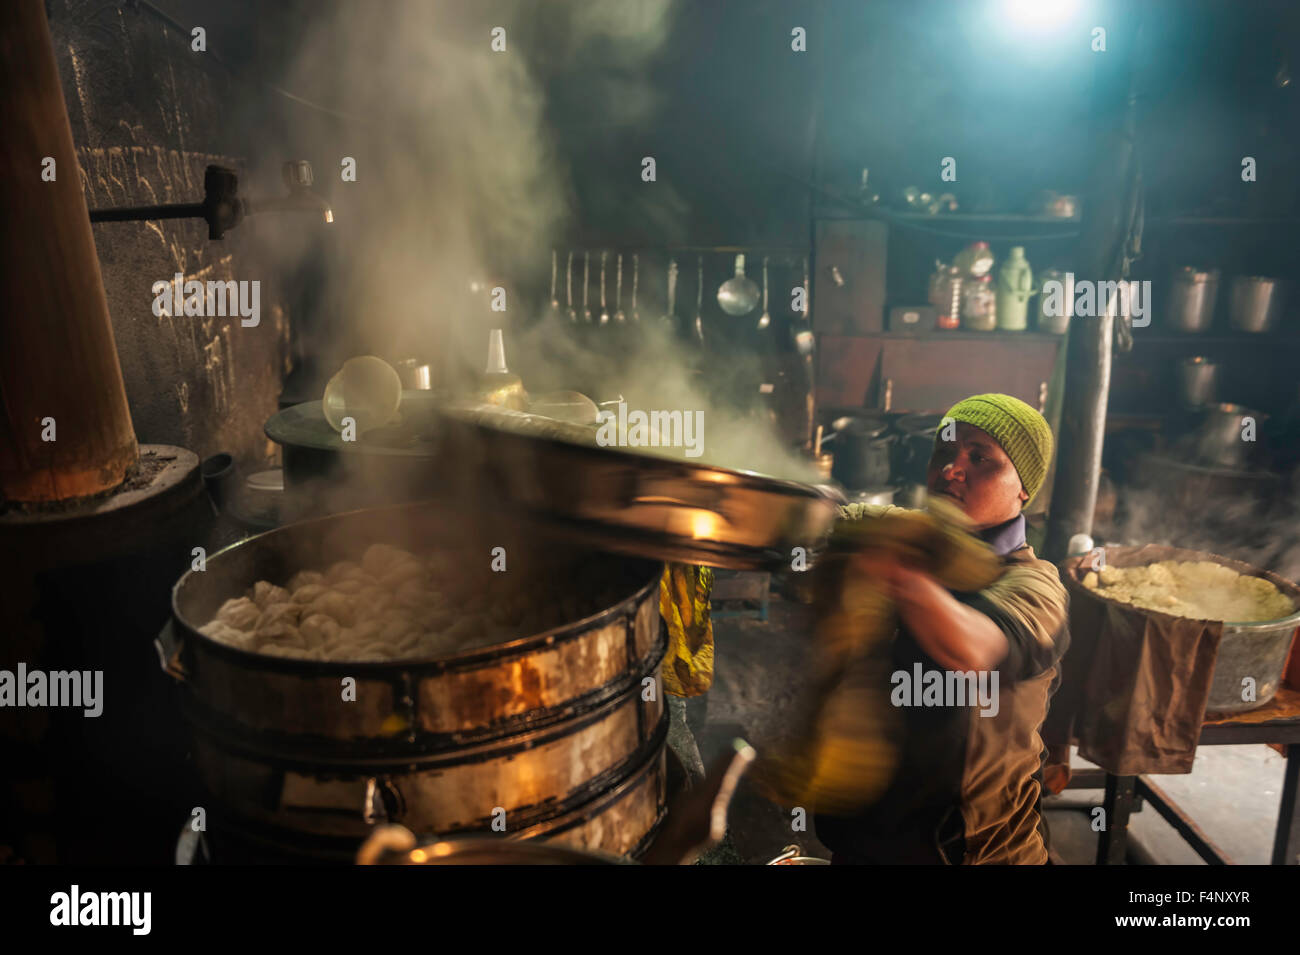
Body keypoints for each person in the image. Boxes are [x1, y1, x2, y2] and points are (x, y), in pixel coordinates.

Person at [815, 393, 1069, 864]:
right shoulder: (903, 533)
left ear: (1024, 490)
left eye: (980, 458)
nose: (952, 469)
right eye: (944, 453)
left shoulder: (1034, 584)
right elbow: (809, 522)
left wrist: (895, 570)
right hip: (865, 844)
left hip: (972, 852)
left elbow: (974, 650)